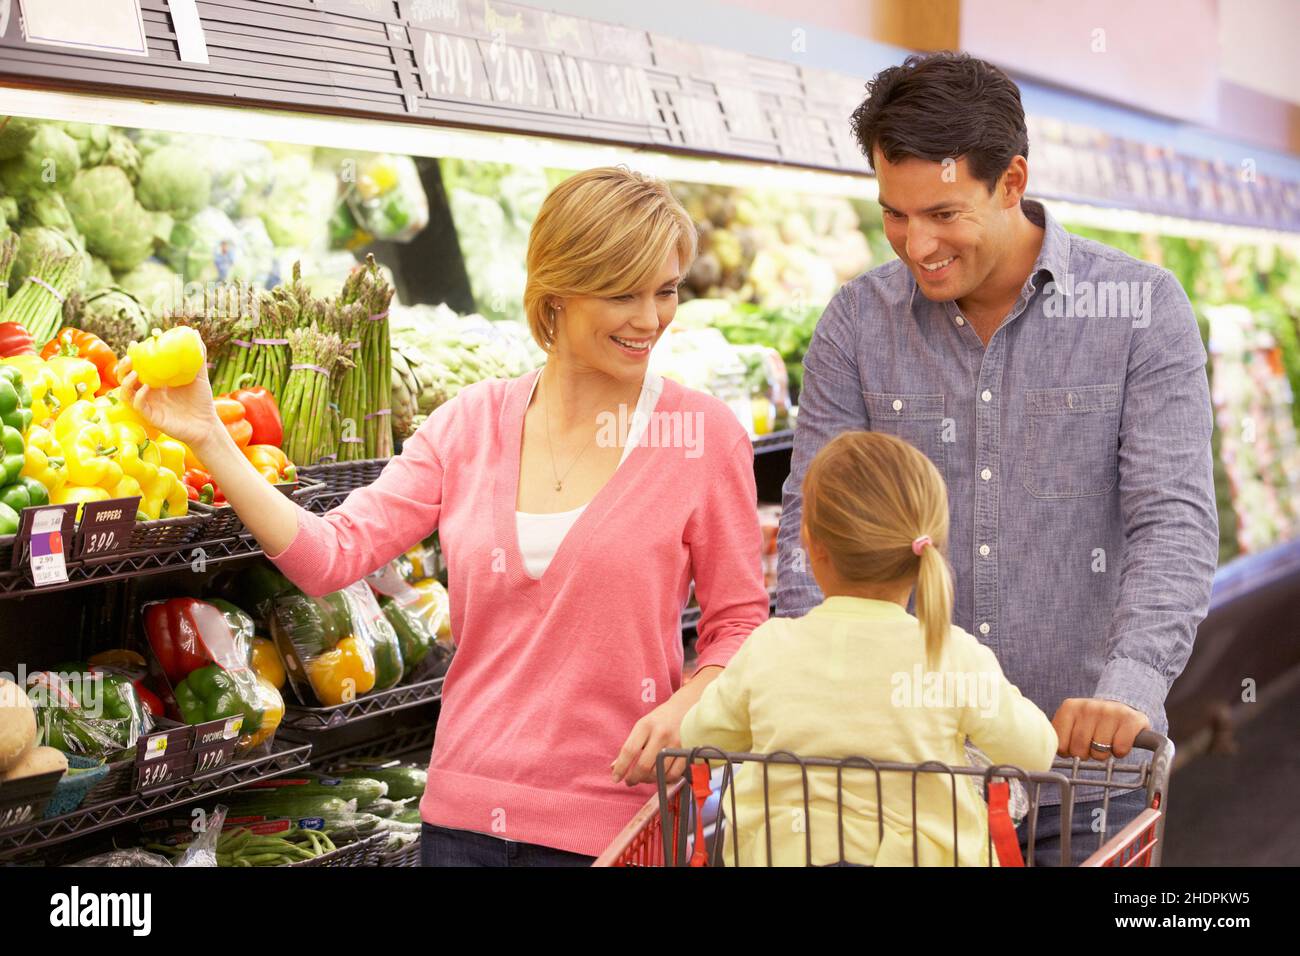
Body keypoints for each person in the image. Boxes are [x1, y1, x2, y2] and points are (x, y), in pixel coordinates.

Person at [118, 166, 770, 867]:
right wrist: (212, 437)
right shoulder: (468, 426)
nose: (651, 319)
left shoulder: (702, 436)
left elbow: (740, 622)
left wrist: (687, 707)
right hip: (463, 823)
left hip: (613, 823)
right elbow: (329, 555)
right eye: (623, 293)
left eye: (665, 291)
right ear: (556, 292)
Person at [775, 52, 1218, 866]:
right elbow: (813, 522)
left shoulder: (1140, 312)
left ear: (1012, 181)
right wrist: (804, 689)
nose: (918, 244)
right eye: (895, 215)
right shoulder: (856, 324)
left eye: (943, 212)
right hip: (901, 785)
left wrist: (1126, 688)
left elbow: (1174, 524)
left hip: (1081, 777)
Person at [681, 431, 1057, 866]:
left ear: (811, 542)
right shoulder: (954, 656)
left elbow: (698, 740)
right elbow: (1035, 751)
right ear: (926, 547)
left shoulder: (769, 648)